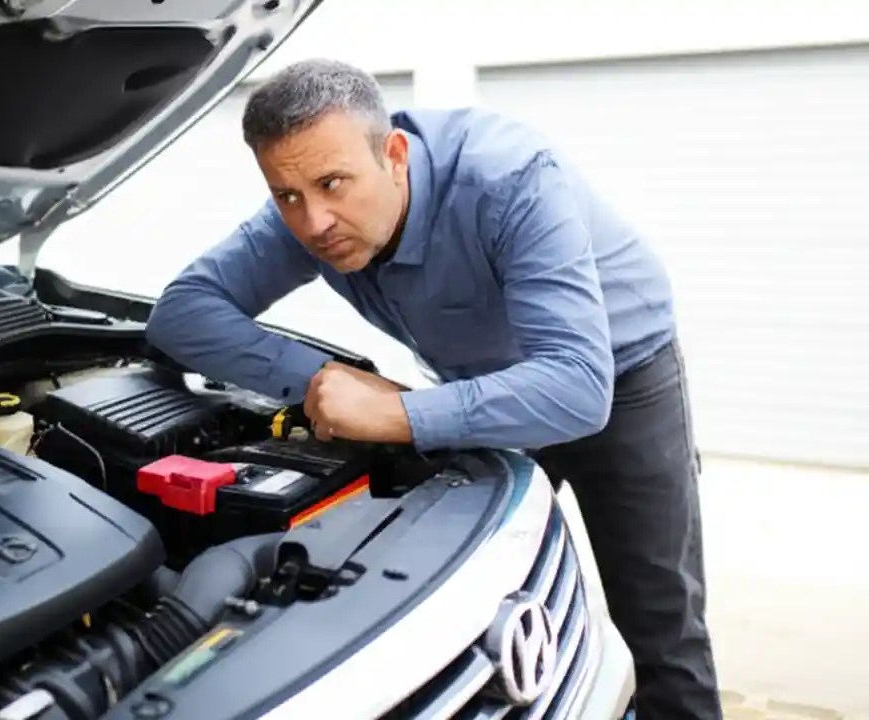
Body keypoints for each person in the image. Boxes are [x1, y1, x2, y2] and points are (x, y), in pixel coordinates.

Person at [143, 58, 720, 718]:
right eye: (287, 195)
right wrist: (320, 385)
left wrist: (397, 414)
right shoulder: (313, 203)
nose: (313, 223)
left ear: (392, 155)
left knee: (660, 628)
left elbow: (576, 387)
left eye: (333, 184)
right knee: (467, 609)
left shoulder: (510, 180)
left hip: (617, 376)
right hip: (477, 385)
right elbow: (183, 312)